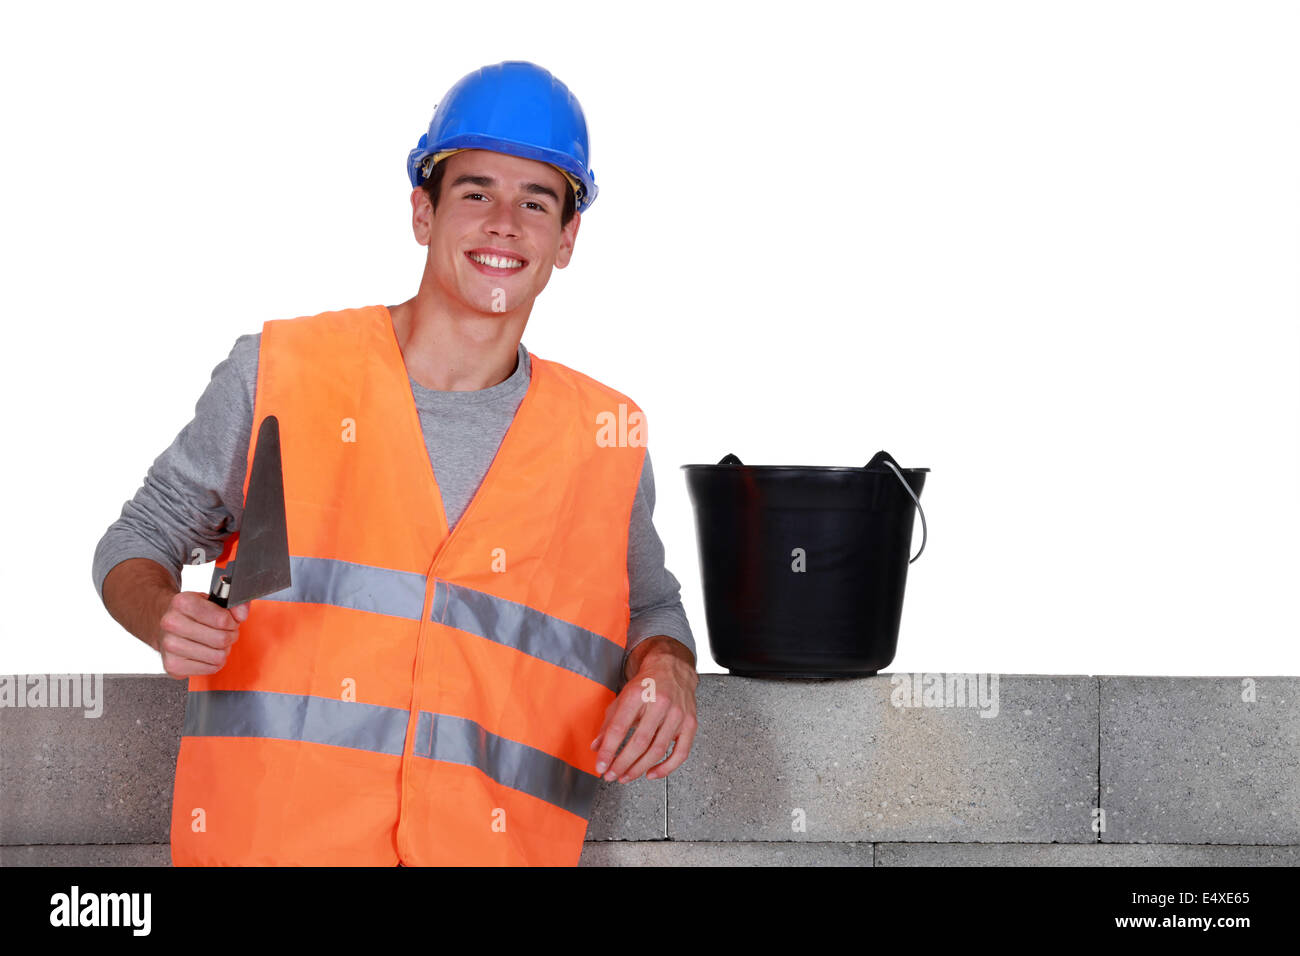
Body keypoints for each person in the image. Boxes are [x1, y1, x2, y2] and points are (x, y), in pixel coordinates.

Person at [93, 60, 699, 866]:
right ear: (423, 211)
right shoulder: (282, 373)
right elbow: (138, 537)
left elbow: (649, 607)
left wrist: (671, 671)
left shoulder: (603, 435)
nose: (504, 224)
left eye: (537, 201)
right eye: (476, 192)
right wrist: (160, 613)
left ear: (567, 239)